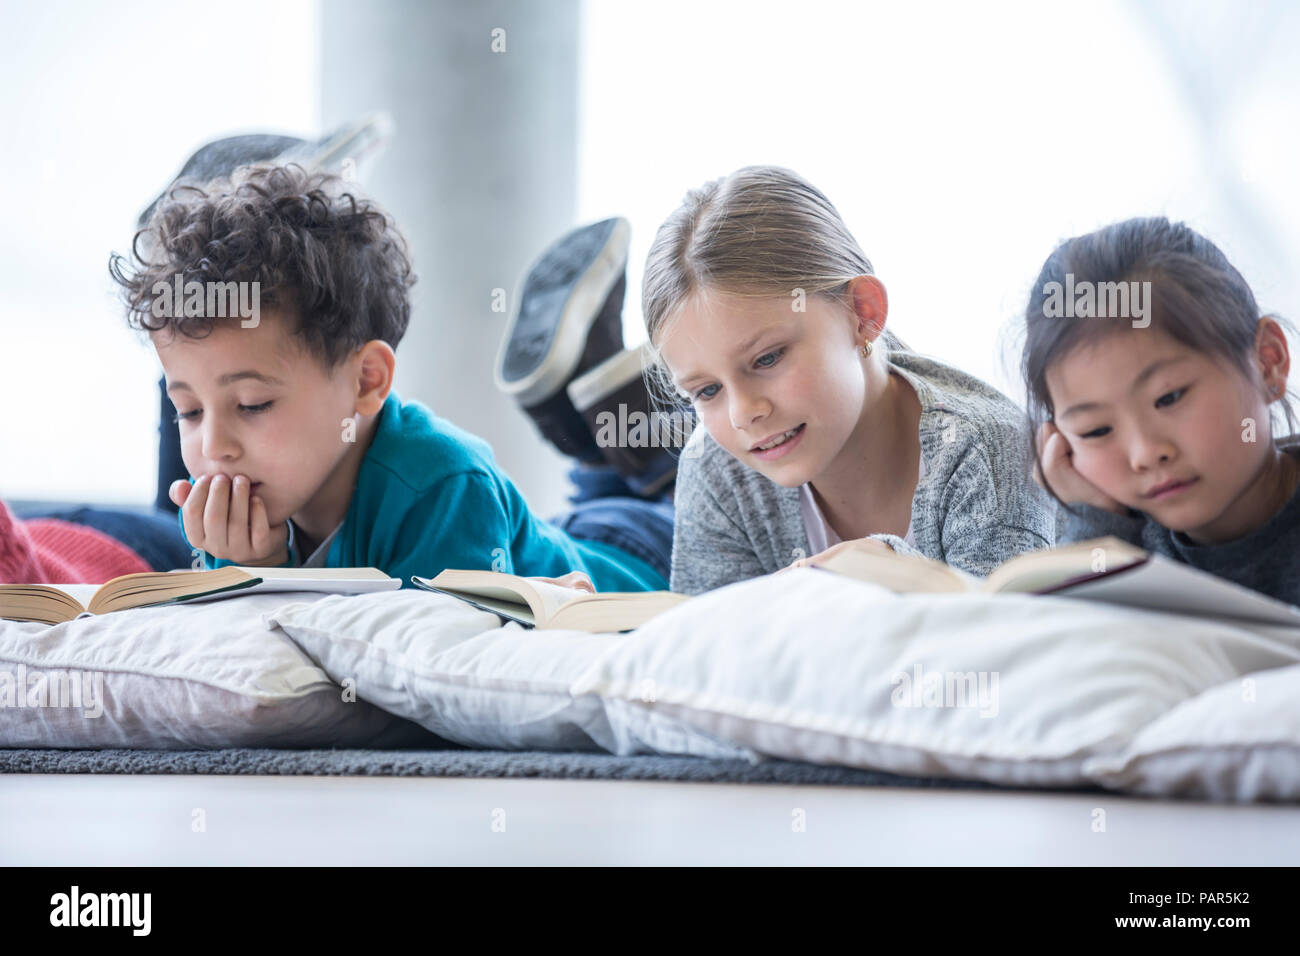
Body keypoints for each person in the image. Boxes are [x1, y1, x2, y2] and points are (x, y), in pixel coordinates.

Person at [109, 163, 673, 591]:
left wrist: (266, 579)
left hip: (647, 556)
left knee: (684, 484)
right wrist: (254, 568)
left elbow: (428, 682)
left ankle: (622, 424)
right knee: (611, 483)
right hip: (560, 532)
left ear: (366, 380)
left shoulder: (445, 485)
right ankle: (591, 415)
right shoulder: (237, 514)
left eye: (252, 404)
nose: (214, 447)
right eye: (187, 411)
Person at [642, 165, 1055, 595]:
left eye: (767, 359)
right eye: (707, 390)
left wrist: (890, 573)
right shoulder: (715, 468)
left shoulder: (987, 451)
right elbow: (709, 653)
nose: (743, 412)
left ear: (862, 313)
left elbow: (1004, 648)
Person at [1024, 216, 1300, 605]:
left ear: (1267, 362)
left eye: (1169, 397)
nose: (1146, 453)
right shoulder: (1119, 552)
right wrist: (1096, 524)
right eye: (1096, 430)